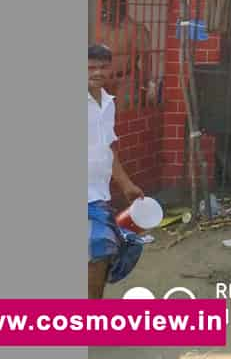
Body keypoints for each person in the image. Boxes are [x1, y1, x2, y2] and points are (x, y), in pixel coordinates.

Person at [88, 44, 146, 299]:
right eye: (91, 67)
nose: (97, 72)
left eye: (102, 67)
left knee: (104, 253)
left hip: (97, 194)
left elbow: (108, 148)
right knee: (99, 250)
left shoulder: (107, 103)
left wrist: (126, 184)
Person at [96, 0, 155, 107]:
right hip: (103, 80)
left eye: (106, 9)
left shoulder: (137, 30)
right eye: (102, 9)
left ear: (119, 9)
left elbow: (146, 59)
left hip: (126, 81)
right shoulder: (102, 27)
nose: (103, 13)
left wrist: (145, 85)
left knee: (122, 117)